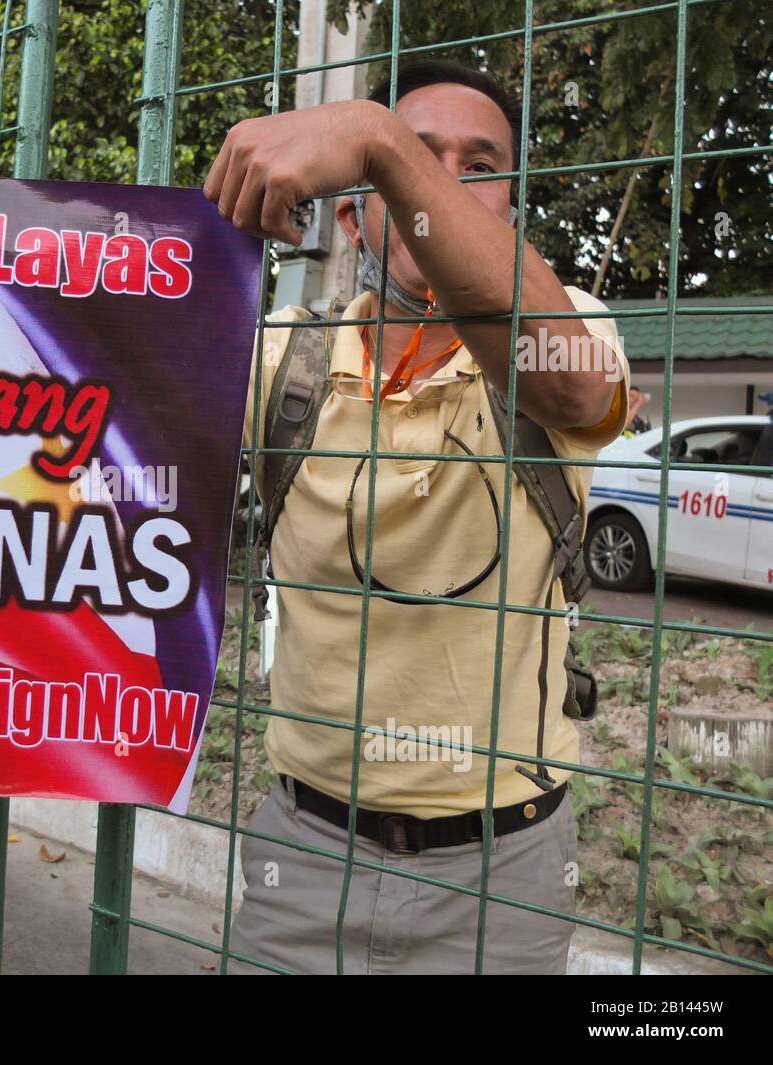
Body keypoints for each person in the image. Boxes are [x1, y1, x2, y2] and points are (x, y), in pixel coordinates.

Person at [204, 59, 630, 974]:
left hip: (503, 872)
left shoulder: (576, 323)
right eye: (417, 158)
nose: (439, 182)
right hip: (303, 852)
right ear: (354, 215)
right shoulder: (283, 354)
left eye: (477, 167)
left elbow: (569, 381)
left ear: (509, 213)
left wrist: (379, 139)